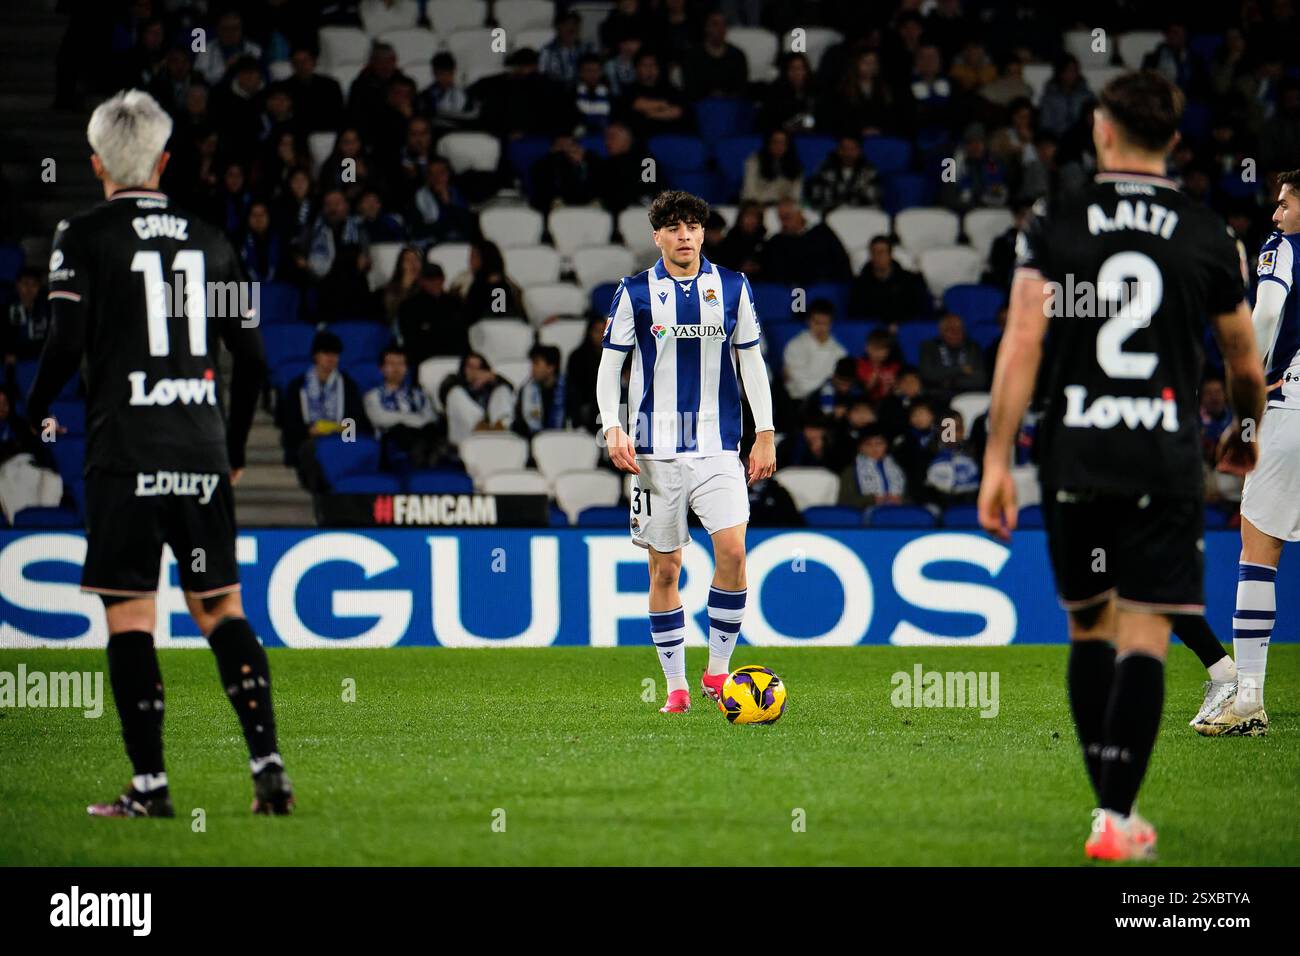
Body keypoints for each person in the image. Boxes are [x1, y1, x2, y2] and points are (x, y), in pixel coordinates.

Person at [977, 72, 1265, 861]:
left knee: (1089, 630)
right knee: (1144, 633)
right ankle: (1118, 818)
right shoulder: (1210, 232)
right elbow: (1243, 360)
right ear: (1173, 139)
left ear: (1100, 130)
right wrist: (1242, 428)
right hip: (1161, 454)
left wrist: (997, 458)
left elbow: (1021, 344)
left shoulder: (1055, 220)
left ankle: (1106, 810)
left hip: (1075, 452)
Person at [23, 90, 292, 818]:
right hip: (199, 449)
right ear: (165, 161)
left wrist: (29, 416)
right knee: (221, 608)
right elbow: (257, 363)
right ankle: (268, 766)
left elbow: (65, 342)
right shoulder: (213, 239)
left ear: (96, 164)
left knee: (132, 618)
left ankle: (151, 786)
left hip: (125, 449)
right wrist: (231, 446)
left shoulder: (80, 235)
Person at [597, 190, 776, 715]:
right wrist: (613, 427)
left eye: (692, 226)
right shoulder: (634, 293)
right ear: (657, 236)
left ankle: (717, 672)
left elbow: (752, 362)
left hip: (720, 446)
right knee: (666, 569)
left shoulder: (734, 287)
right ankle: (675, 687)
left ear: (703, 233)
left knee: (735, 553)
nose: (684, 236)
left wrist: (764, 431)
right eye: (673, 227)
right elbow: (610, 368)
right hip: (653, 451)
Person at [1194, 168, 1300, 737]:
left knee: (1258, 552)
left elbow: (1264, 312)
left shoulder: (1282, 248)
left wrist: (1250, 381)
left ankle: (1248, 698)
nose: (1276, 214)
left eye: (1285, 203)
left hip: (1291, 406)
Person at [276, 330, 372, 489]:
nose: (331, 359)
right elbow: (287, 423)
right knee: (312, 450)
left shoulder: (348, 385)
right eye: (326, 354)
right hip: (308, 440)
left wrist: (343, 428)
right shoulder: (298, 386)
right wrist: (308, 431)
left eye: (335, 355)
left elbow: (358, 419)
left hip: (341, 439)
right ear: (316, 356)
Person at [364, 346, 442, 470]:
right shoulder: (373, 395)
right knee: (401, 429)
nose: (396, 369)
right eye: (391, 364)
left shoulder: (419, 394)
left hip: (422, 435)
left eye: (401, 364)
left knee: (432, 431)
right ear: (382, 369)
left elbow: (431, 417)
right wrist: (413, 419)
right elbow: (380, 419)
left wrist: (403, 419)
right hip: (392, 440)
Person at [398, 262, 469, 368]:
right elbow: (411, 337)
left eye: (437, 278)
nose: (434, 282)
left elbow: (462, 333)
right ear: (421, 281)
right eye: (429, 279)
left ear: (443, 279)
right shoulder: (410, 306)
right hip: (422, 359)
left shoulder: (455, 303)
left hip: (454, 356)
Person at [848, 235, 931, 322]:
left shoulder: (909, 280)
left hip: (904, 327)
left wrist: (899, 322)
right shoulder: (860, 284)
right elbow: (856, 313)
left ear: (890, 255)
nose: (877, 257)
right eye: (873, 253)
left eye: (881, 252)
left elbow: (918, 310)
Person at [441, 352, 515, 448]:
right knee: (455, 393)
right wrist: (468, 381)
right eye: (470, 367)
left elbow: (511, 389)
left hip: (493, 432)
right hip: (465, 436)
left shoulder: (491, 385)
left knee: (502, 390)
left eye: (479, 368)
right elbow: (443, 392)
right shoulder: (453, 380)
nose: (475, 371)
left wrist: (493, 377)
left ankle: (500, 431)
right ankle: (481, 427)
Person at [781, 300, 846, 400]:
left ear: (831, 323)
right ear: (808, 321)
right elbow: (799, 384)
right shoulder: (795, 345)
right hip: (797, 402)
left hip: (827, 401)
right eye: (817, 322)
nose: (821, 327)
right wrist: (826, 382)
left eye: (825, 323)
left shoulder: (840, 352)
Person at [838, 425, 906, 509]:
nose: (874, 448)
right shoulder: (851, 471)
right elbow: (844, 501)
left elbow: (911, 498)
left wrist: (900, 499)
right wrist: (872, 500)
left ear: (886, 446)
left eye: (879, 443)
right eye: (868, 444)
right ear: (860, 448)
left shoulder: (899, 468)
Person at [513, 345, 567, 437]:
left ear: (550, 367)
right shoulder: (526, 389)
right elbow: (520, 423)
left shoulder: (569, 390)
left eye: (536, 364)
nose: (532, 369)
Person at [741, 128, 803, 205]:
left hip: (784, 210)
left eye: (783, 143)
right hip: (758, 207)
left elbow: (796, 196)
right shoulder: (754, 161)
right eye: (775, 142)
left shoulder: (796, 166)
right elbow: (749, 192)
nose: (779, 146)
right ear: (768, 143)